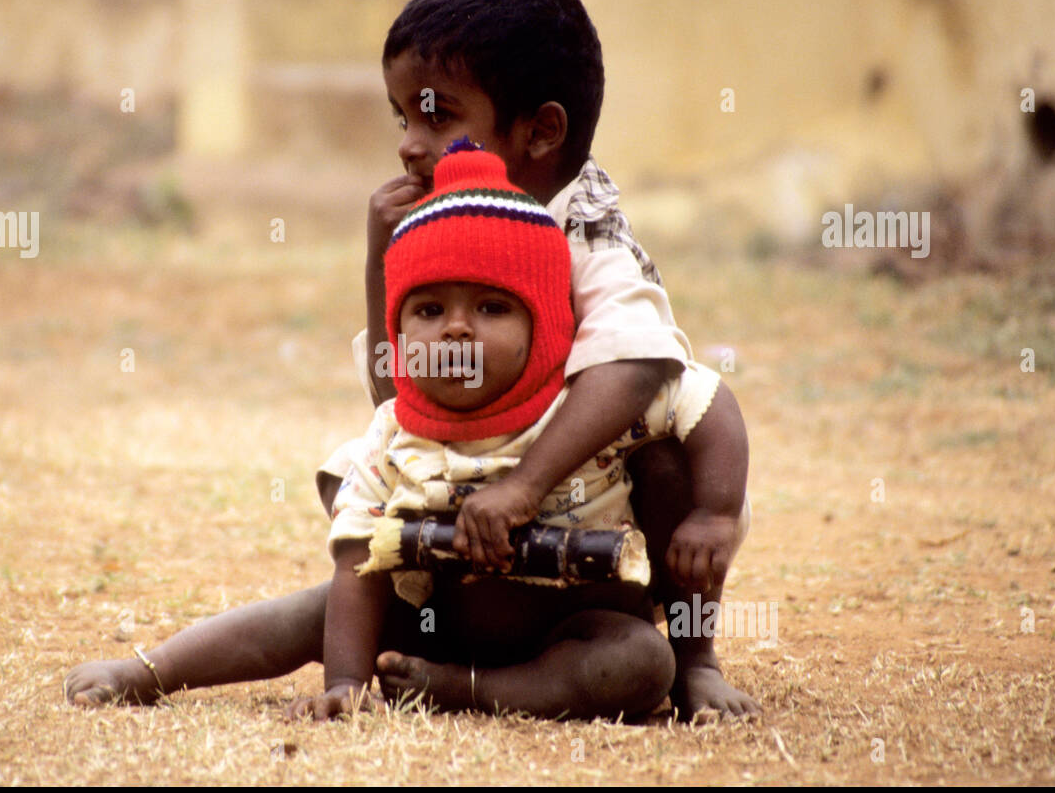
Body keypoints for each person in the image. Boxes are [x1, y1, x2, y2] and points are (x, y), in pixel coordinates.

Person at [65, 0, 758, 720]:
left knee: (660, 508)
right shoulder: (440, 228)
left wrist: (525, 490)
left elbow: (638, 370)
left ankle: (693, 663)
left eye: (437, 116)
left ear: (540, 132)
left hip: (575, 561)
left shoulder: (586, 232)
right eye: (403, 120)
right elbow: (398, 400)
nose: (410, 144)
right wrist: (382, 261)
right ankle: (150, 671)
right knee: (324, 599)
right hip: (453, 562)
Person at [288, 142, 749, 720]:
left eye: (492, 309)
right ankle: (148, 671)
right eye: (429, 311)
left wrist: (715, 512)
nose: (457, 331)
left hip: (579, 621)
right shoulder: (400, 432)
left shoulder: (577, 403)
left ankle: (462, 690)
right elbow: (355, 565)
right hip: (448, 613)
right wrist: (346, 682)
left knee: (643, 664)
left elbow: (706, 397)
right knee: (317, 609)